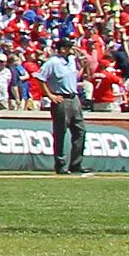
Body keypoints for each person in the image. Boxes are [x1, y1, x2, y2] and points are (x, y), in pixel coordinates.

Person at [41, 37, 88, 175]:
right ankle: (60, 165)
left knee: (80, 131)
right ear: (62, 49)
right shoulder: (52, 62)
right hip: (61, 99)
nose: (72, 50)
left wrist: (83, 65)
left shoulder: (71, 61)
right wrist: (51, 96)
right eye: (69, 47)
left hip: (74, 98)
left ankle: (76, 164)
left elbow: (74, 77)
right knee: (60, 133)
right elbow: (40, 78)